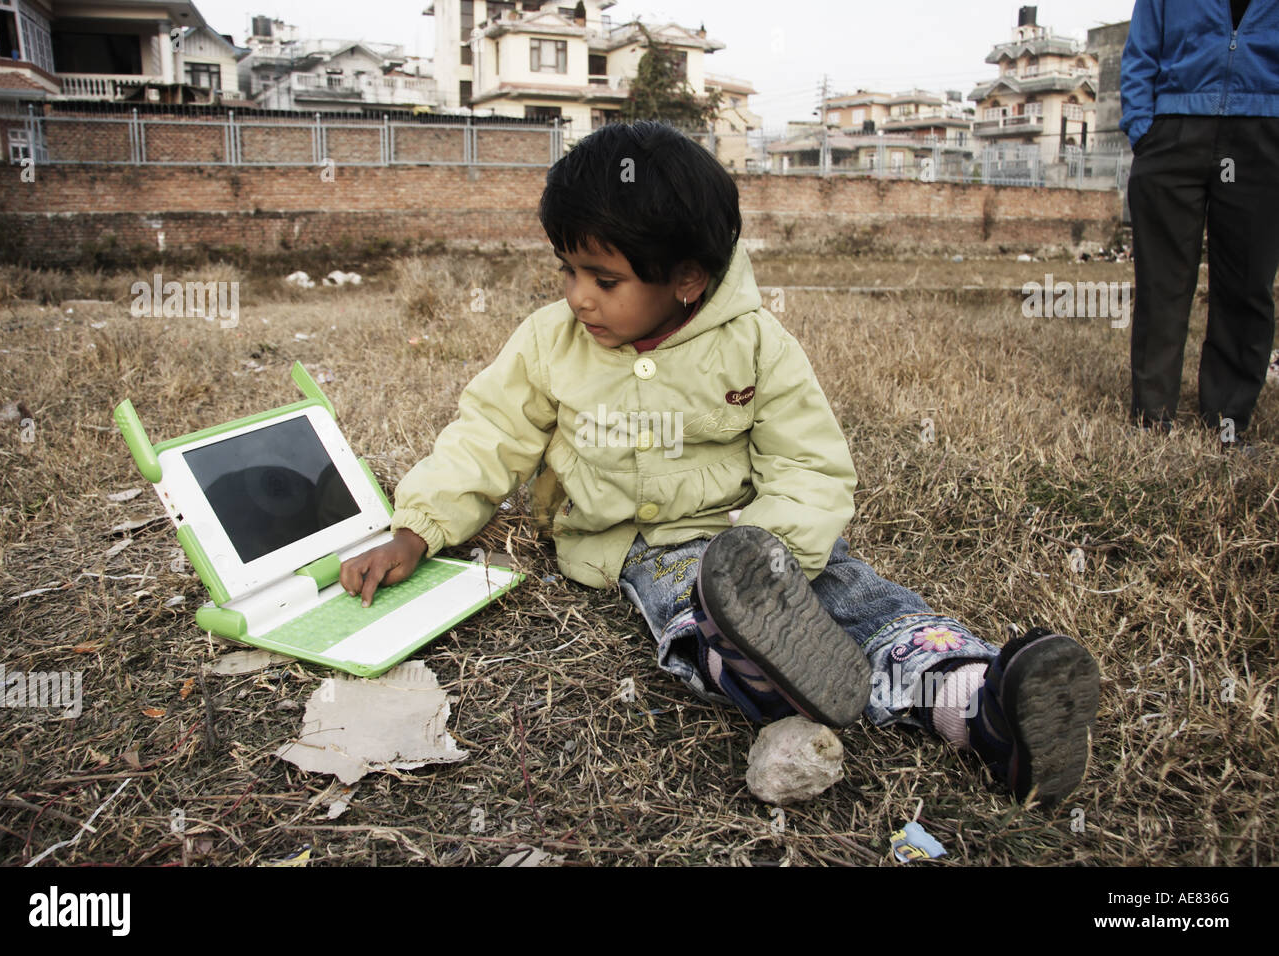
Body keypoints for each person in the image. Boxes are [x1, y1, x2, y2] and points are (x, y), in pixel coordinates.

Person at [338, 121, 1100, 806]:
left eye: (604, 280)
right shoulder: (548, 344)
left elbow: (808, 464)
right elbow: (485, 435)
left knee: (863, 596)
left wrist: (774, 556)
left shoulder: (757, 344)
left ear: (689, 279)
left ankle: (982, 700)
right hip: (643, 548)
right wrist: (418, 529)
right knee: (693, 611)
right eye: (567, 270)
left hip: (754, 538)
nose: (578, 298)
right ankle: (754, 661)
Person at [1121, 0, 1279, 440]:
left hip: (1264, 131)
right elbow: (1141, 49)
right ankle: (1152, 419)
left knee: (1248, 287)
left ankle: (1227, 423)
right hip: (1174, 127)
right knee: (1162, 283)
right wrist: (1142, 128)